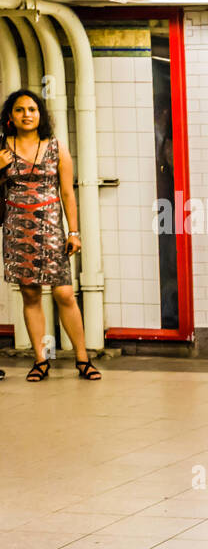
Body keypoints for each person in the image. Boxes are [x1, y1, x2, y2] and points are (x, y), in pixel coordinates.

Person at [0, 89, 101, 381]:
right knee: (30, 294)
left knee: (64, 293)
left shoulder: (56, 146)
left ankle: (83, 359)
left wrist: (74, 231)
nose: (26, 114)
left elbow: (67, 192)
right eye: (20, 110)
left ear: (40, 115)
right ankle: (40, 360)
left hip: (51, 226)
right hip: (17, 227)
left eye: (32, 109)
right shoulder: (3, 147)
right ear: (10, 117)